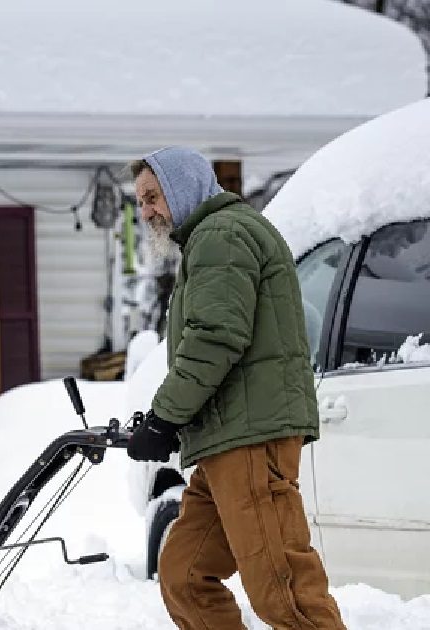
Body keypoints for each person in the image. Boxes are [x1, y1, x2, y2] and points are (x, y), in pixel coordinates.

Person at [125, 147, 346, 630]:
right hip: (226, 440)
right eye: (140, 201)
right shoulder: (212, 238)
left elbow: (214, 337)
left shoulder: (221, 236)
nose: (145, 212)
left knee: (283, 591)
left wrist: (165, 416)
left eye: (152, 197)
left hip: (250, 437)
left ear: (183, 188)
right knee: (185, 575)